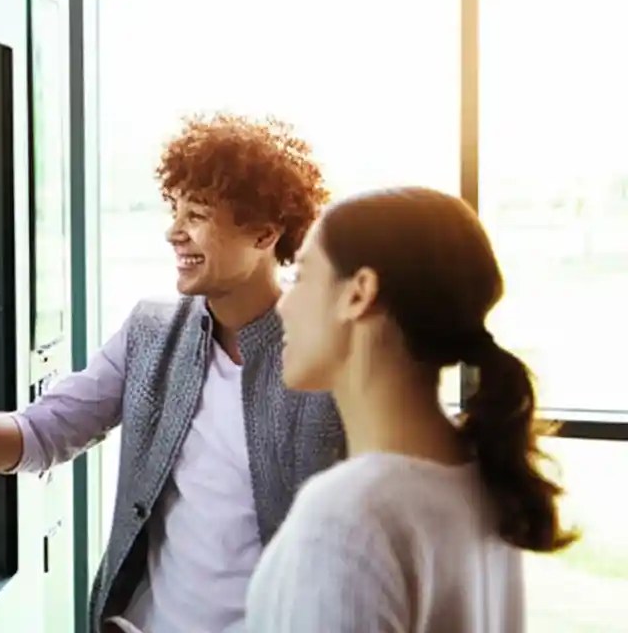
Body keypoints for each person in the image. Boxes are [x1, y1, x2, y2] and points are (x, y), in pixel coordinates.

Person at [0, 112, 345, 633]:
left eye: (198, 214)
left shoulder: (330, 357)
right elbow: (41, 433)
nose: (174, 232)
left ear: (264, 234)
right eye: (175, 210)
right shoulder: (152, 332)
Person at [246, 186, 577, 632]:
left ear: (358, 293)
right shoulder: (483, 482)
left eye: (301, 275)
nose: (283, 304)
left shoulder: (348, 516)